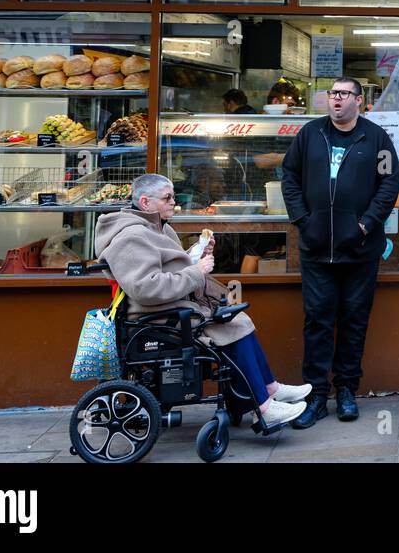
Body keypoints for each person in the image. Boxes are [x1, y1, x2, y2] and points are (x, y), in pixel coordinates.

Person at [95, 174, 311, 431]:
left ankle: (269, 389)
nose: (173, 203)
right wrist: (196, 272)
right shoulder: (130, 237)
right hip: (158, 315)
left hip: (171, 307)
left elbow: (167, 265)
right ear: (145, 202)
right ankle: (263, 407)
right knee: (230, 325)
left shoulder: (158, 226)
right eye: (167, 198)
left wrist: (198, 255)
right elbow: (146, 287)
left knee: (236, 318)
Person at [281, 75, 399, 427]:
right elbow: (289, 176)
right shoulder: (310, 134)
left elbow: (389, 181)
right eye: (333, 93)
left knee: (353, 320)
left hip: (360, 249)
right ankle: (316, 396)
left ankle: (346, 390)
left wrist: (364, 224)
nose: (336, 99)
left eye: (344, 94)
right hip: (317, 249)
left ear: (359, 101)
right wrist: (303, 219)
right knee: (317, 320)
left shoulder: (375, 137)